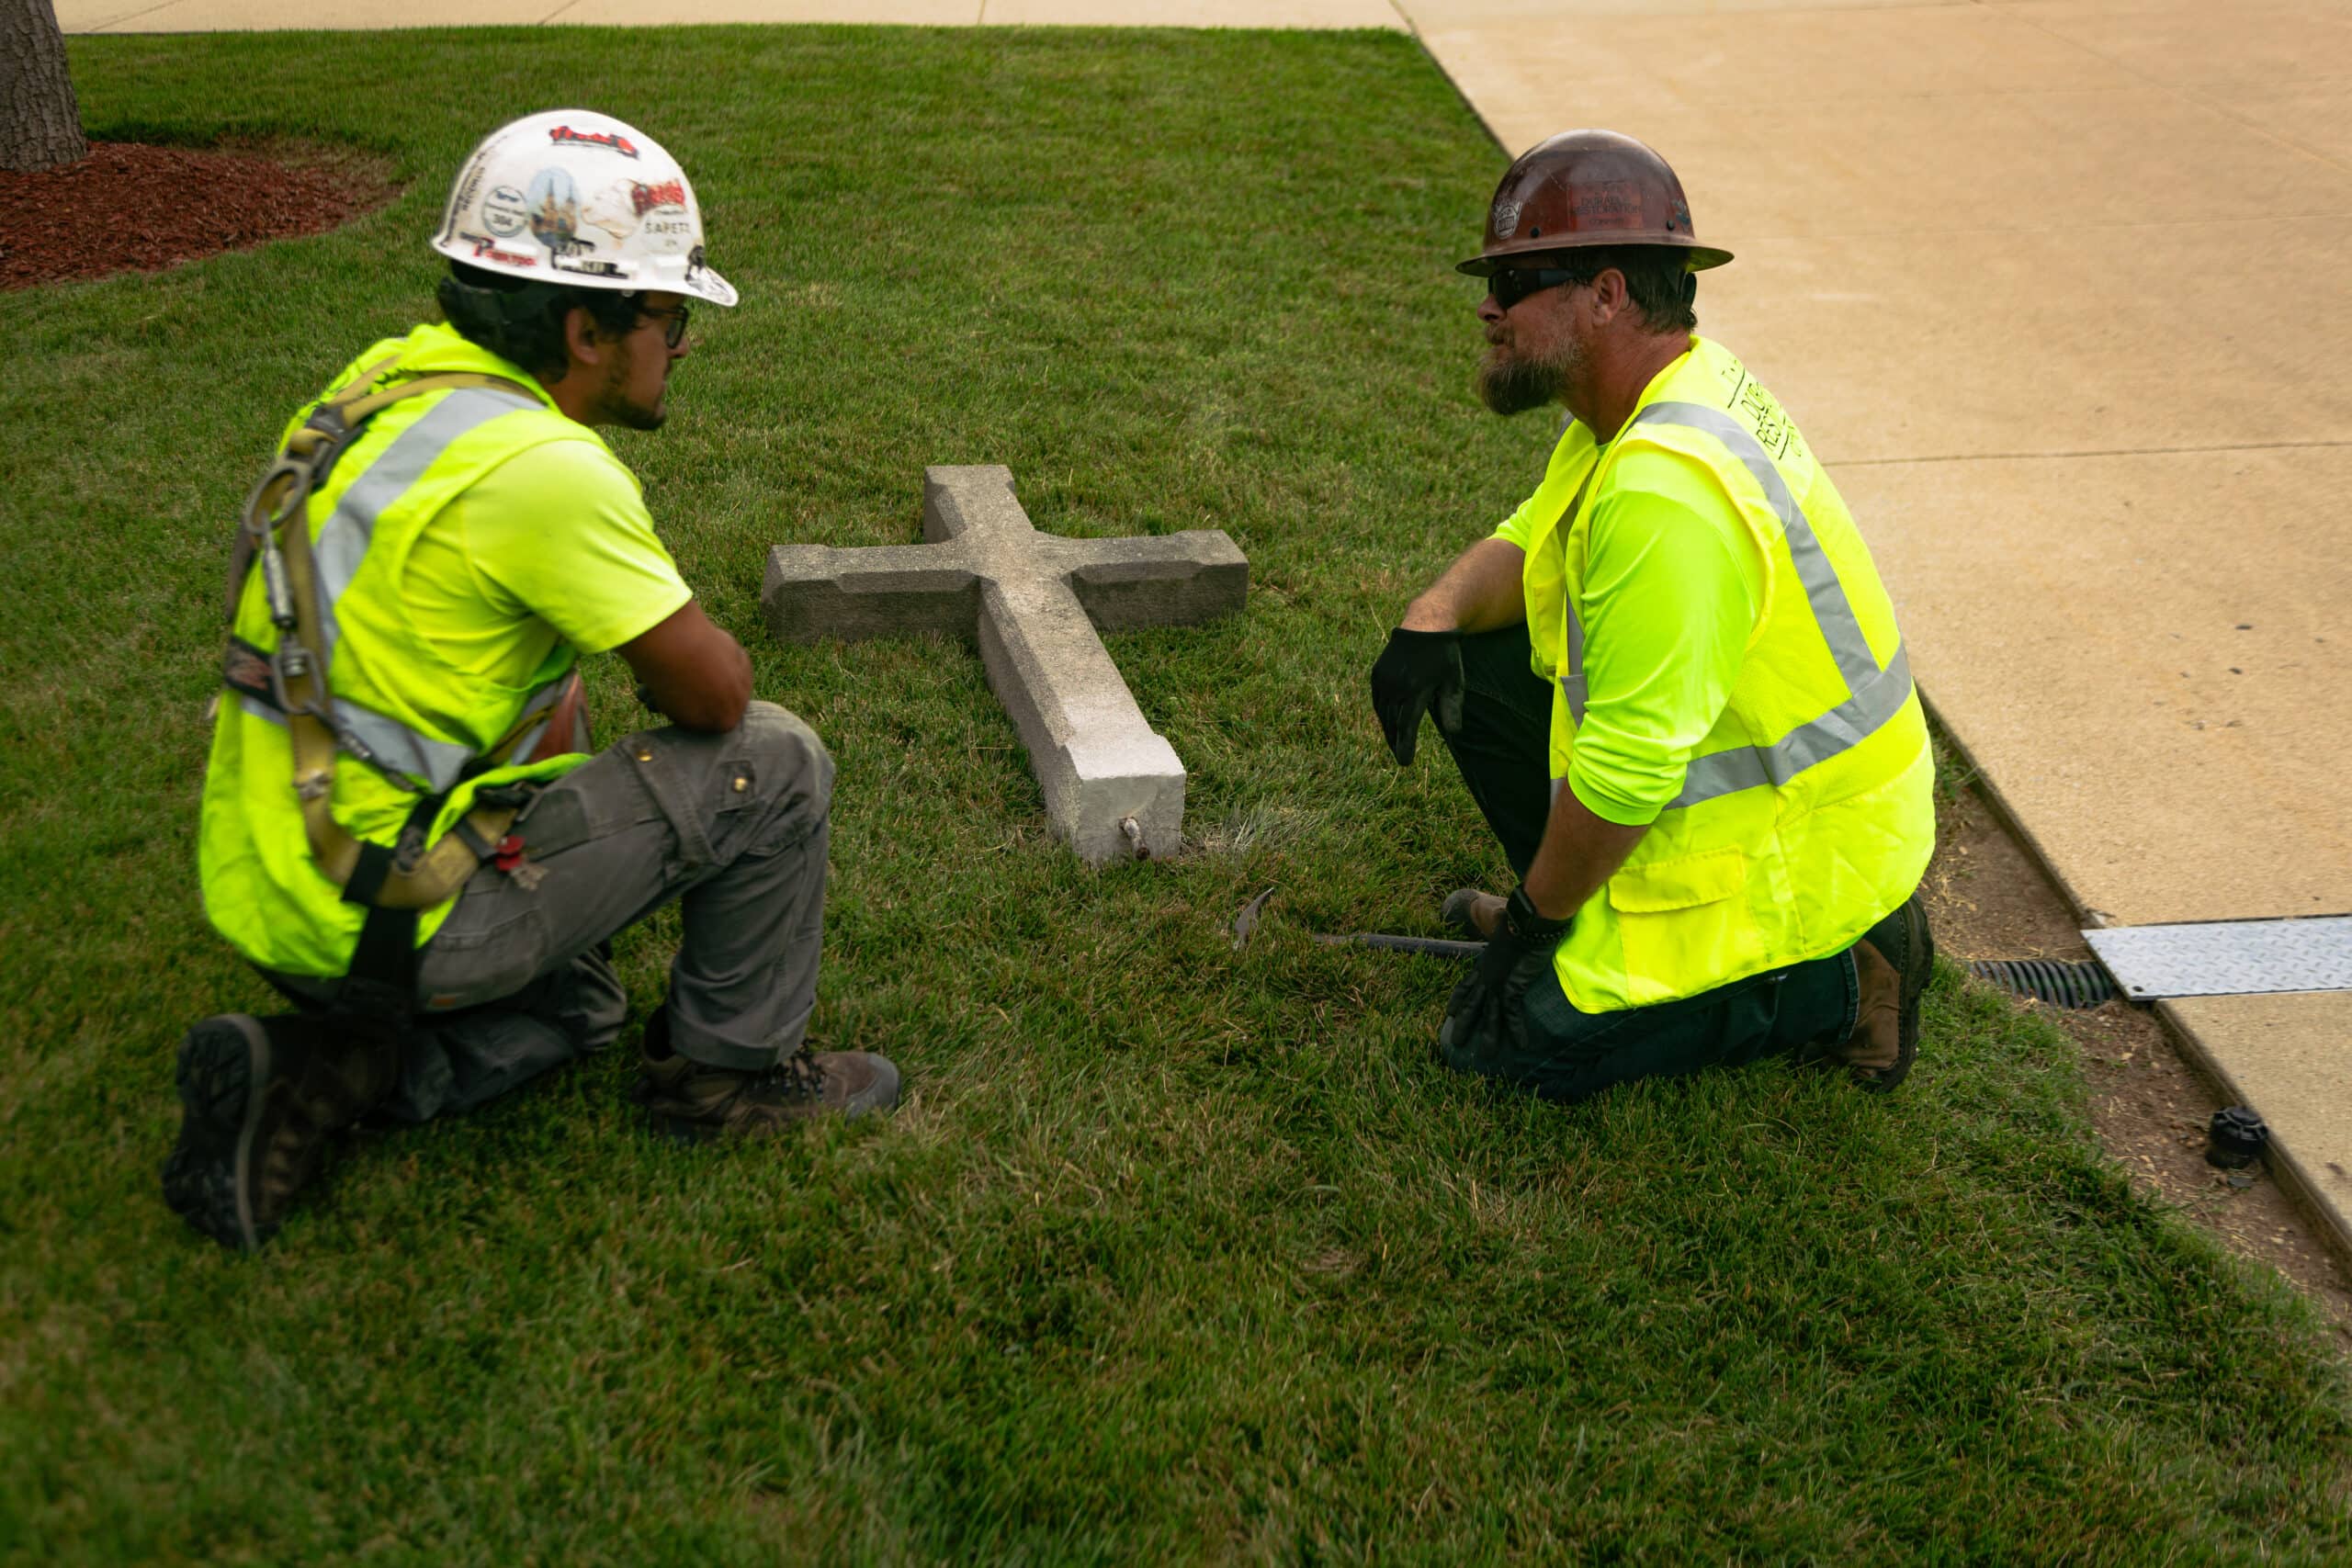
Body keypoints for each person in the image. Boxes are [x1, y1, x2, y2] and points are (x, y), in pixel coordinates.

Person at [166, 109, 898, 1254]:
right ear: (583, 328)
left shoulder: (380, 382)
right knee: (775, 760)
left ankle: (321, 1068)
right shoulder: (547, 470)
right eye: (667, 316)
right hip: (388, 905)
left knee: (581, 1005)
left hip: (268, 880)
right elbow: (713, 700)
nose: (682, 345)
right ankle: (727, 1084)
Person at [1369, 130, 1937, 1107]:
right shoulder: (1648, 401)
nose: (1488, 307)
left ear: (1606, 294)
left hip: (1803, 858)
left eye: (1514, 283)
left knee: (1504, 1055)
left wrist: (1527, 934)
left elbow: (1630, 772)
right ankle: (1574, 911)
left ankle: (1845, 975)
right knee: (1466, 656)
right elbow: (1533, 539)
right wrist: (1431, 618)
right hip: (1773, 805)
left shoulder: (1668, 490)